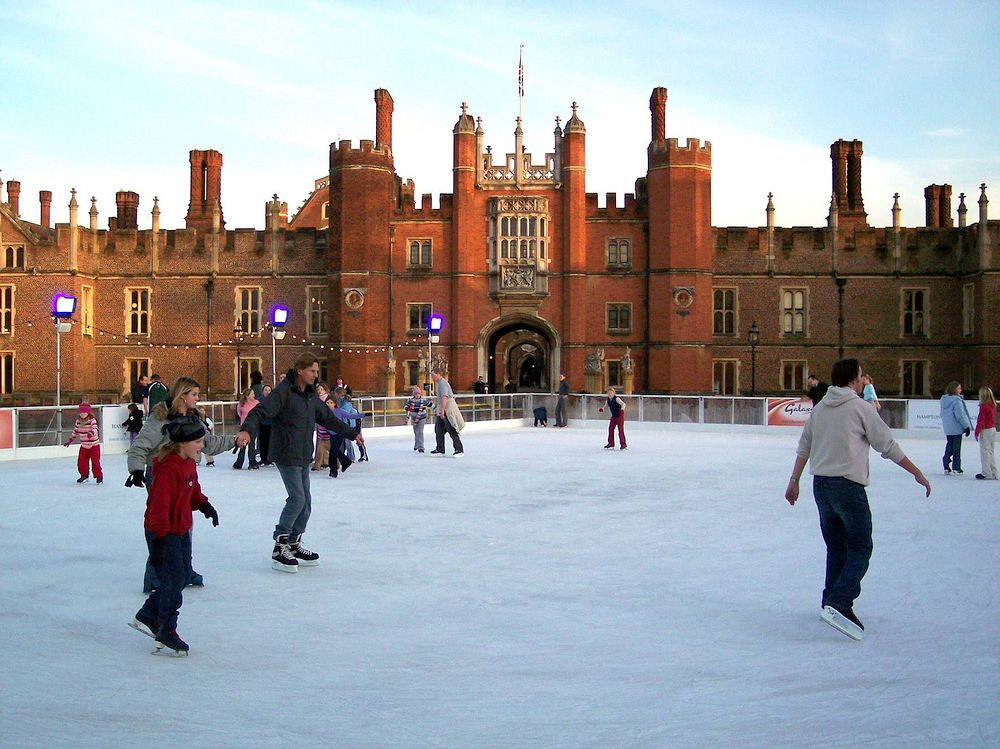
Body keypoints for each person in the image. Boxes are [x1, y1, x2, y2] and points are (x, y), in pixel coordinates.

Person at [785, 358, 931, 640]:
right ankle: (840, 600)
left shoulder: (820, 409)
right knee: (861, 546)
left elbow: (804, 447)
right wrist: (917, 472)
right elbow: (887, 445)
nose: (864, 380)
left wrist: (794, 481)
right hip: (847, 487)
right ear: (854, 379)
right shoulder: (860, 408)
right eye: (862, 376)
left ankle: (830, 600)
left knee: (836, 547)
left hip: (821, 486)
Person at [235, 352, 364, 572]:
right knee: (297, 499)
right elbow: (259, 411)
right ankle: (280, 546)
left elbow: (329, 419)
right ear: (300, 371)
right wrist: (246, 430)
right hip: (286, 453)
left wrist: (352, 434)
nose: (316, 375)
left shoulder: (311, 396)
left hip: (303, 454)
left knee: (306, 504)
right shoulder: (283, 393)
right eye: (312, 371)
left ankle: (294, 544)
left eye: (317, 371)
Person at [127, 377, 235, 592]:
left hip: (184, 475)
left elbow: (209, 444)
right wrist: (137, 470)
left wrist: (236, 440)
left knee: (183, 524)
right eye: (194, 394)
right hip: (161, 476)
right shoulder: (161, 418)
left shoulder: (193, 419)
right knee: (163, 523)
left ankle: (184, 569)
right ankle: (155, 574)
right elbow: (139, 446)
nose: (197, 398)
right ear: (183, 396)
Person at [130, 417, 219, 656]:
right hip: (163, 530)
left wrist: (204, 505)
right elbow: (158, 507)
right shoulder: (169, 468)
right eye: (199, 441)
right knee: (173, 581)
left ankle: (150, 612)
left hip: (179, 528)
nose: (202, 446)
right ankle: (167, 629)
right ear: (183, 443)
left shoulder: (188, 463)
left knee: (180, 578)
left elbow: (193, 489)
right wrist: (159, 540)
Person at [64, 402, 103, 484]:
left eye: (84, 412)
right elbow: (75, 431)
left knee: (95, 462)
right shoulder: (78, 422)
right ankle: (84, 475)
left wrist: (91, 434)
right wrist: (70, 440)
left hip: (94, 446)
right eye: (81, 412)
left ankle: (99, 476)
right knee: (81, 462)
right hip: (84, 446)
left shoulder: (92, 420)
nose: (82, 414)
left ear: (88, 412)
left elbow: (95, 429)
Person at [940, 381, 973, 475]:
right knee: (956, 448)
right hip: (956, 427)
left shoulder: (944, 399)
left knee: (949, 445)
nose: (960, 390)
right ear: (954, 389)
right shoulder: (956, 400)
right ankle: (956, 467)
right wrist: (966, 426)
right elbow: (960, 415)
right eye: (959, 388)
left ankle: (946, 464)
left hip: (948, 427)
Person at [429, 368, 464, 457]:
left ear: (438, 374)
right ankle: (440, 449)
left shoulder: (443, 383)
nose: (432, 377)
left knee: (451, 429)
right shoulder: (439, 383)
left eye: (433, 375)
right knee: (439, 430)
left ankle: (459, 449)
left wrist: (442, 411)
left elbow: (444, 397)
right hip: (442, 409)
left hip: (447, 409)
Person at [233, 388, 260, 470]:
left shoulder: (256, 403)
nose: (254, 395)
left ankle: (252, 462)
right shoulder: (241, 404)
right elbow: (239, 414)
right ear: (247, 396)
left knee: (251, 443)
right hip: (244, 426)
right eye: (252, 394)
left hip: (254, 426)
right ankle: (239, 462)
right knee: (242, 443)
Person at [974, 386, 997, 480]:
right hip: (992, 429)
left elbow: (981, 420)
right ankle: (994, 472)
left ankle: (986, 472)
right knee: (991, 451)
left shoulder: (984, 406)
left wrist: (977, 431)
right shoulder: (993, 405)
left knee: (985, 452)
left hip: (986, 430)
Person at [404, 385, 432, 452]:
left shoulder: (423, 400)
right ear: (414, 394)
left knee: (420, 431)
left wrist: (438, 410)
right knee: (416, 431)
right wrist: (408, 411)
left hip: (422, 417)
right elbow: (406, 407)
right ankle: (416, 445)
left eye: (419, 393)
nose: (417, 395)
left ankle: (421, 447)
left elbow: (431, 405)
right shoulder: (410, 400)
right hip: (414, 418)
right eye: (416, 393)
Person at [311, 382, 332, 471]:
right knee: (320, 440)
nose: (319, 391)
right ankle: (321, 460)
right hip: (319, 422)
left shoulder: (327, 398)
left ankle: (326, 460)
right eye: (318, 389)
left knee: (327, 443)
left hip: (326, 422)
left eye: (321, 389)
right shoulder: (317, 399)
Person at [258, 384, 273, 466]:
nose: (267, 392)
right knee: (262, 441)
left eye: (269, 390)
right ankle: (263, 458)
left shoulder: (273, 400)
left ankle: (269, 458)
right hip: (262, 423)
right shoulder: (259, 400)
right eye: (266, 390)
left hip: (271, 423)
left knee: (270, 441)